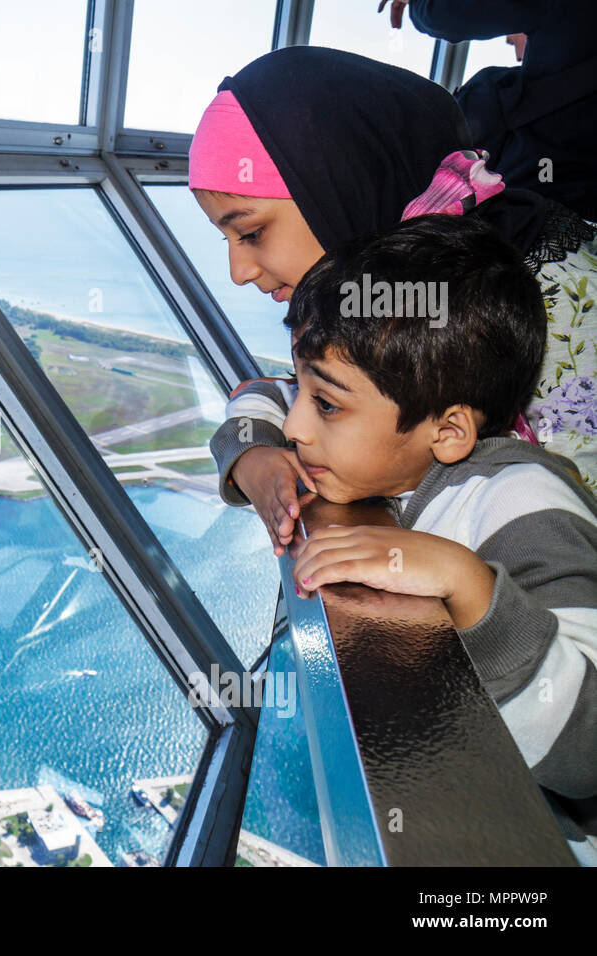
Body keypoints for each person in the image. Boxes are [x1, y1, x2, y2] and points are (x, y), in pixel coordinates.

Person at [188, 46, 597, 559]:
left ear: (339, 182)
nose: (238, 272)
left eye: (250, 232)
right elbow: (301, 395)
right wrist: (248, 451)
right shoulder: (384, 300)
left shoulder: (550, 310)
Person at [276, 213, 597, 864]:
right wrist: (250, 460)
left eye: (326, 403)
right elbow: (255, 398)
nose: (294, 426)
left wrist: (468, 584)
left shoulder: (522, 502)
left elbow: (589, 754)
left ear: (449, 432)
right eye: (299, 389)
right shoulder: (394, 456)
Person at [381, 0, 597, 221]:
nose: (519, 57)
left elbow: (450, 14)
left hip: (543, 196)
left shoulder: (493, 94)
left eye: (510, 41)